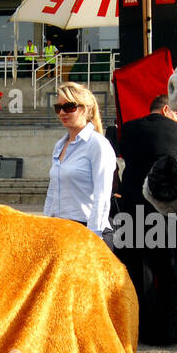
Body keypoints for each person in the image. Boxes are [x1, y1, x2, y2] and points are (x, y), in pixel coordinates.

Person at [113, 93, 177, 345]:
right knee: (168, 269)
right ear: (167, 109)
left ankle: (137, 328)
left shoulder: (130, 129)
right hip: (165, 209)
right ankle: (166, 331)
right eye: (176, 113)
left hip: (132, 206)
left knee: (137, 271)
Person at [43, 82, 116, 238]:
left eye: (69, 107)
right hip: (60, 230)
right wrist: (45, 227)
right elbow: (52, 191)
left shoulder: (98, 144)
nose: (62, 112)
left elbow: (102, 195)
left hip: (86, 230)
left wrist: (93, 236)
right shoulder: (59, 146)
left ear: (85, 109)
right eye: (58, 108)